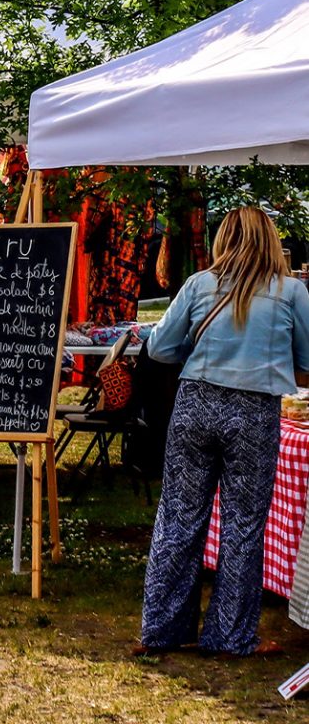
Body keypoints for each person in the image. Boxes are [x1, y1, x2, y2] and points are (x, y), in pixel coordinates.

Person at [139, 205, 309, 658]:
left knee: (179, 517)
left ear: (222, 238)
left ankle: (162, 630)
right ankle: (230, 637)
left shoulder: (199, 283)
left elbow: (159, 348)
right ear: (271, 240)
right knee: (243, 525)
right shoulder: (292, 292)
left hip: (197, 401)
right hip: (255, 410)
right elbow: (308, 362)